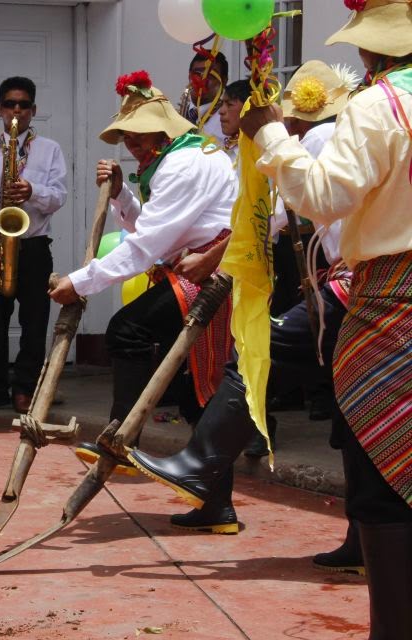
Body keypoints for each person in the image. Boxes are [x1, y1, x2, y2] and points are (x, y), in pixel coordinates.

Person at [128, 60, 360, 540]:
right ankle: (362, 536)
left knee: (256, 355)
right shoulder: (349, 135)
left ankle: (198, 463)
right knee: (352, 412)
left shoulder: (314, 140)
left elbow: (275, 214)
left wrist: (217, 258)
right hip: (355, 282)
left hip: (352, 285)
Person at [238, 3, 412, 635]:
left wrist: (272, 136)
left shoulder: (379, 105)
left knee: (384, 486)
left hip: (393, 309)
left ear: (370, 50)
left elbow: (320, 198)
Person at [49, 70, 235, 469]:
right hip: (188, 267)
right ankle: (210, 489)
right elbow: (156, 233)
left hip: (209, 272)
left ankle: (122, 436)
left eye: (138, 136)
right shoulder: (177, 158)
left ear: (162, 134)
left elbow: (147, 246)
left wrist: (80, 282)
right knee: (190, 382)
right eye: (126, 138)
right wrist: (121, 195)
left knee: (126, 331)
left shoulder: (184, 164)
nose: (130, 145)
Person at [0, 76, 67, 413]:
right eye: (10, 104)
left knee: (35, 322)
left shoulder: (50, 150)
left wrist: (32, 191)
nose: (16, 110)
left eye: (23, 104)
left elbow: (60, 196)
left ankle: (26, 388)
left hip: (34, 245)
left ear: (33, 110)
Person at [179, 51, 229, 146]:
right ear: (189, 76)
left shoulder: (229, 122)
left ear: (224, 81)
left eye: (211, 75)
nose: (202, 80)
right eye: (197, 73)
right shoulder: (176, 115)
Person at [216, 79, 252, 162]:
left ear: (249, 109)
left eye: (230, 105)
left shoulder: (260, 154)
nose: (221, 111)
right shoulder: (219, 148)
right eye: (222, 104)